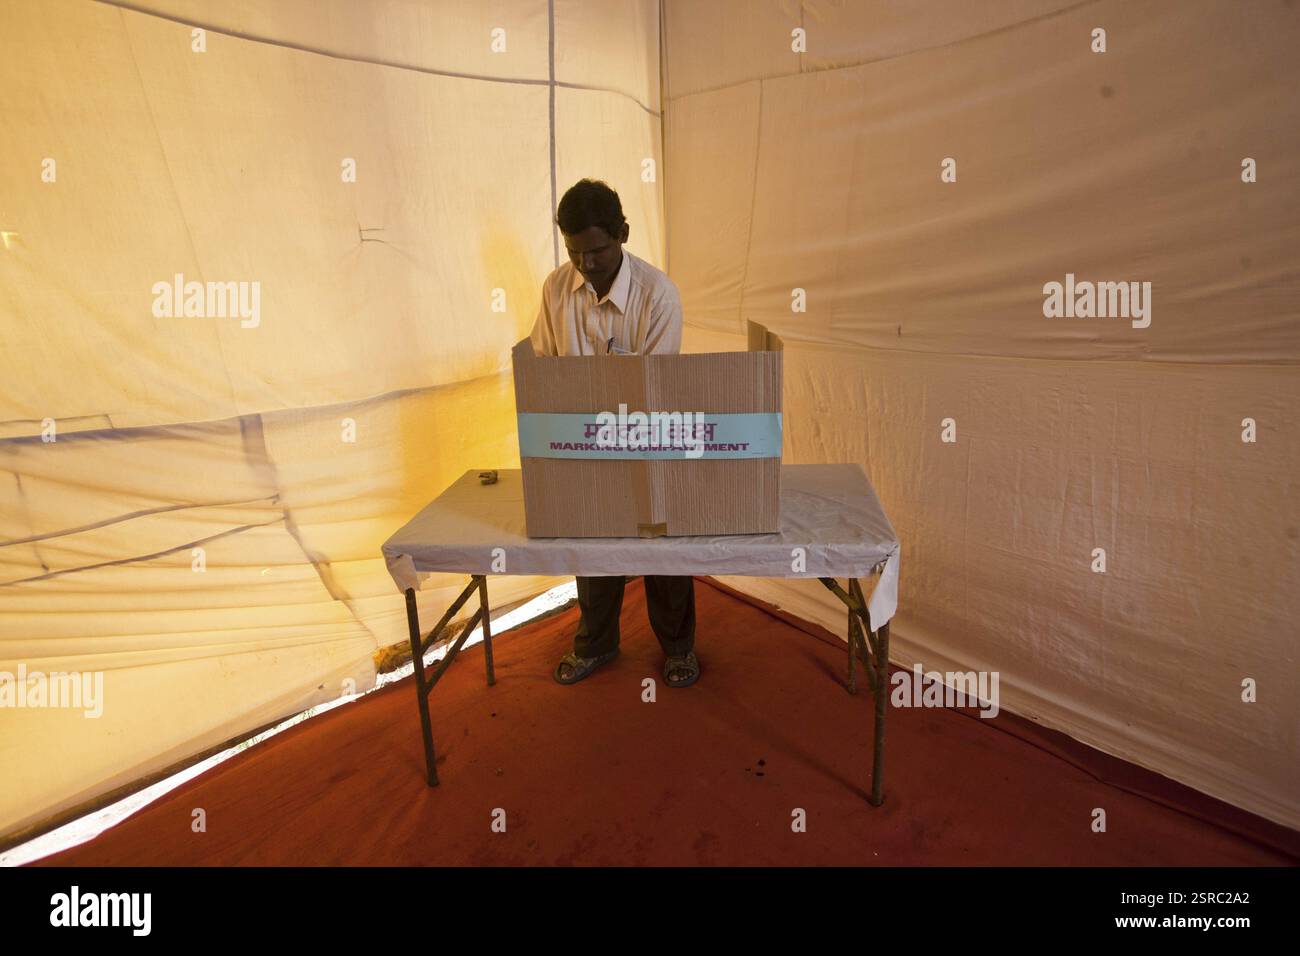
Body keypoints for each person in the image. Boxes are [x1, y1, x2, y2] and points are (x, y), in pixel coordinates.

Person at [529, 178, 699, 688]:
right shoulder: (556, 288)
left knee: (662, 548)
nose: (585, 264)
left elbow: (656, 387)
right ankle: (597, 644)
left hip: (648, 437)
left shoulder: (658, 295)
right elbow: (542, 364)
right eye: (574, 252)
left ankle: (678, 648)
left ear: (623, 233)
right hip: (582, 442)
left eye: (596, 250)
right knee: (594, 546)